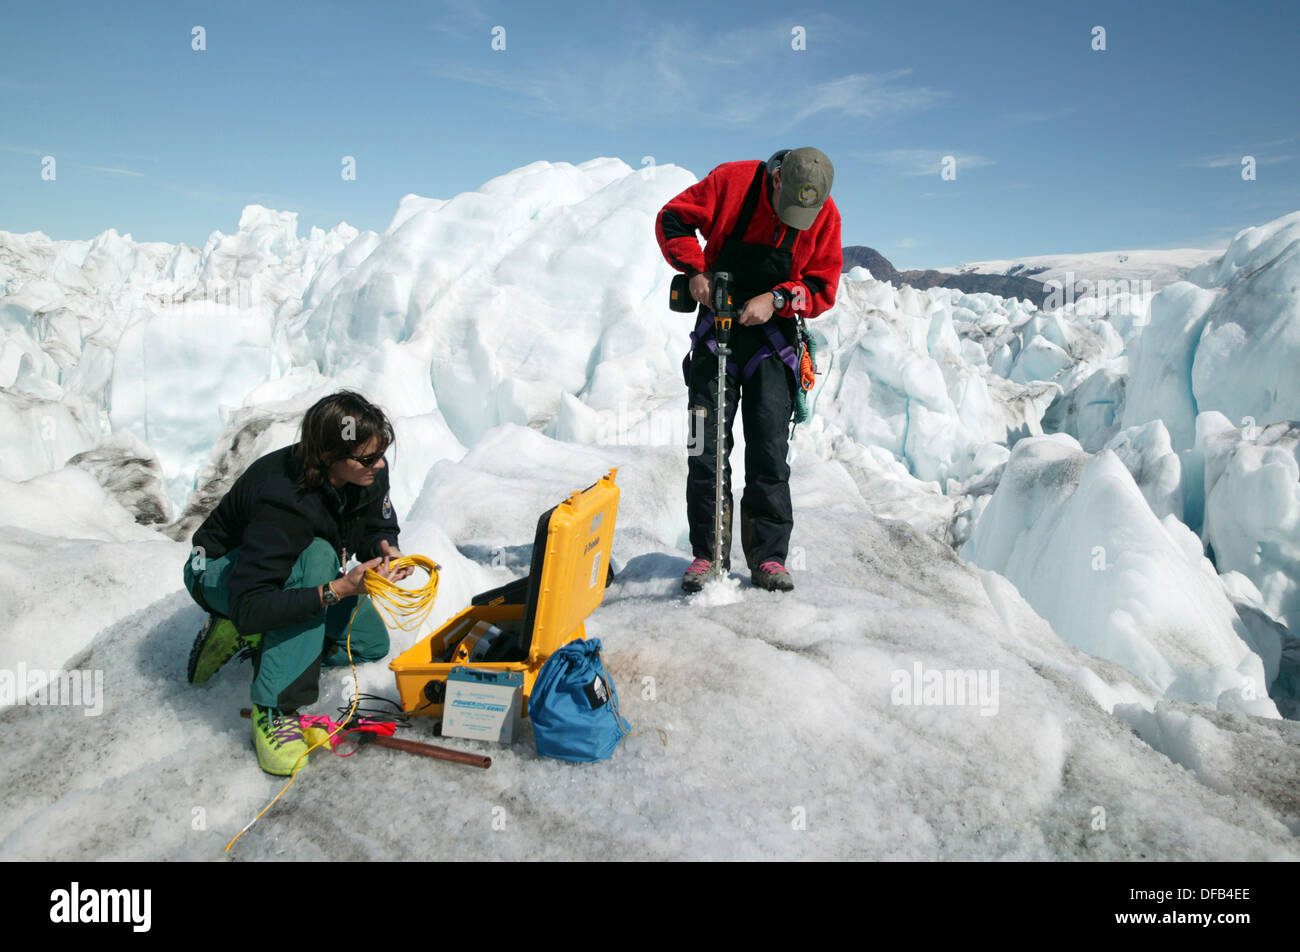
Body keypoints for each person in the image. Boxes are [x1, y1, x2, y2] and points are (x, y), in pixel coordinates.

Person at [182, 390, 413, 775]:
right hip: (222, 574)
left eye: (381, 453)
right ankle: (274, 708)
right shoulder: (283, 499)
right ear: (329, 455)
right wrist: (337, 590)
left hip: (287, 574)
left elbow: (376, 524)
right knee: (317, 556)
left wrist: (385, 549)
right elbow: (250, 604)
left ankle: (264, 640)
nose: (378, 464)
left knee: (368, 644)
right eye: (366, 458)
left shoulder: (368, 472)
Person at [656, 147, 842, 593]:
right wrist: (696, 270)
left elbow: (822, 285)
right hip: (715, 328)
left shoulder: (825, 214)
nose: (795, 220)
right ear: (777, 181)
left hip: (772, 343)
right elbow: (672, 219)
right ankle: (708, 554)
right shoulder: (731, 183)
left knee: (769, 453)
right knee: (704, 446)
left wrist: (777, 299)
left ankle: (768, 559)